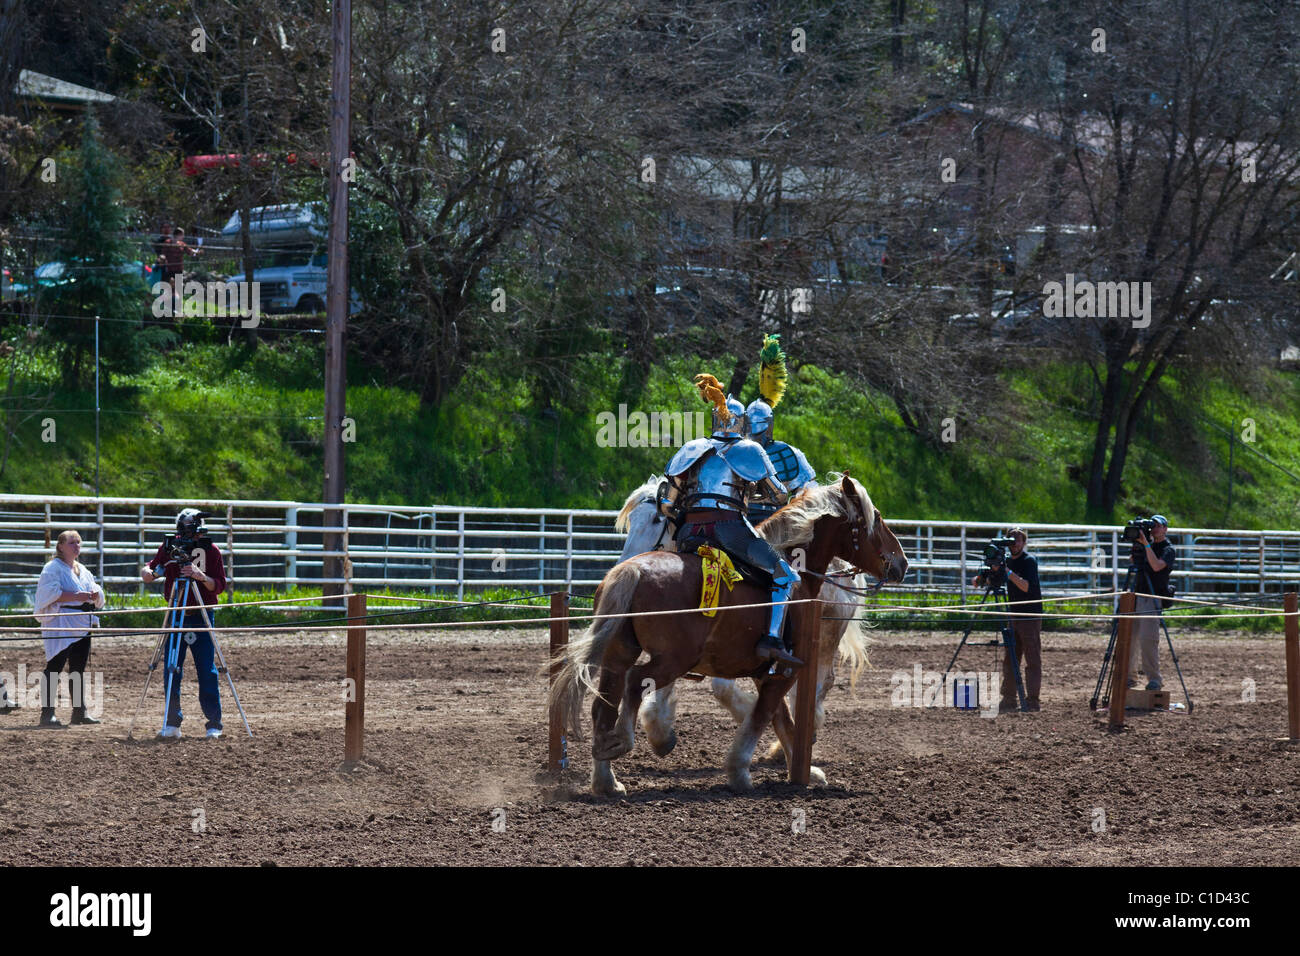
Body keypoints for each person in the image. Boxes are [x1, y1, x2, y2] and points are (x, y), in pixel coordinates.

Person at [660, 373, 800, 665]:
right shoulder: (750, 450)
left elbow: (666, 504)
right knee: (785, 574)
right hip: (729, 532)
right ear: (742, 424)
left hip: (688, 533)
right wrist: (749, 496)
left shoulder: (693, 448)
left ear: (715, 420)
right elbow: (779, 497)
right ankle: (772, 640)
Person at [141, 508, 227, 739]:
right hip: (176, 612)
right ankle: (172, 722)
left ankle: (214, 724)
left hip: (201, 614)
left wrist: (200, 576)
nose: (195, 535)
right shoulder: (169, 547)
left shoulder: (211, 550)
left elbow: (219, 585)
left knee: (207, 669)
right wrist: (148, 571)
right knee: (171, 667)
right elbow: (152, 567)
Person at [33, 530, 105, 727]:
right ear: (61, 546)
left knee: (78, 668)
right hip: (61, 623)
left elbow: (96, 590)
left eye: (79, 543)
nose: (76, 546)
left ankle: (79, 712)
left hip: (82, 622)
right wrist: (77, 596)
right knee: (54, 667)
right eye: (72, 543)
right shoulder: (52, 568)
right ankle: (47, 715)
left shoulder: (82, 569)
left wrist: (94, 594)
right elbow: (49, 593)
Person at [744, 335, 816, 524]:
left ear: (769, 427)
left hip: (777, 521)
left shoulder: (789, 453)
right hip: (740, 519)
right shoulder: (734, 451)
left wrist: (798, 501)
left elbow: (809, 488)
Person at [972, 528, 1043, 713]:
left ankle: (1033, 700)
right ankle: (1009, 698)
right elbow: (988, 581)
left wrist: (1007, 572)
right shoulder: (1006, 561)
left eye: (1018, 541)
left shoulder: (1029, 561)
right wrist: (984, 577)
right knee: (1010, 658)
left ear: (1024, 543)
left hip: (1030, 615)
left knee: (1032, 658)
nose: (1015, 544)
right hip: (1013, 614)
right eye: (1012, 540)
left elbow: (1026, 586)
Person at [1130, 515, 1176, 691]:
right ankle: (1129, 677)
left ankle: (1154, 679)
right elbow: (1133, 561)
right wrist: (1139, 544)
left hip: (1153, 597)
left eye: (1158, 526)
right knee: (1129, 638)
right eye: (1153, 526)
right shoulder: (1146, 545)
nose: (1154, 529)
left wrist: (1147, 545)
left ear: (1165, 529)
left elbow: (1156, 566)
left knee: (1147, 639)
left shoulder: (1168, 549)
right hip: (1136, 594)